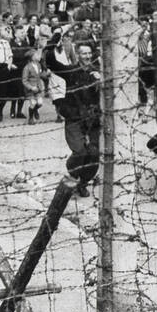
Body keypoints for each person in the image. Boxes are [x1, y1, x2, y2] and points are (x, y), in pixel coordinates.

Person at [60, 43, 104, 198]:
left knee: (93, 154)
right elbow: (53, 63)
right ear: (77, 55)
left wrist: (100, 81)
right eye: (83, 53)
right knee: (79, 152)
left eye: (89, 53)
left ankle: (83, 182)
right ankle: (72, 174)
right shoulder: (71, 71)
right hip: (75, 116)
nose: (87, 56)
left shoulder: (97, 72)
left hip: (92, 118)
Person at [22, 47, 45, 124]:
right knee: (33, 103)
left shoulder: (38, 65)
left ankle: (35, 110)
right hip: (31, 89)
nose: (39, 56)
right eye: (36, 55)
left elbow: (39, 75)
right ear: (32, 57)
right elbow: (24, 80)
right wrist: (31, 87)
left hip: (38, 88)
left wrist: (45, 75)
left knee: (40, 103)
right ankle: (31, 118)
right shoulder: (27, 68)